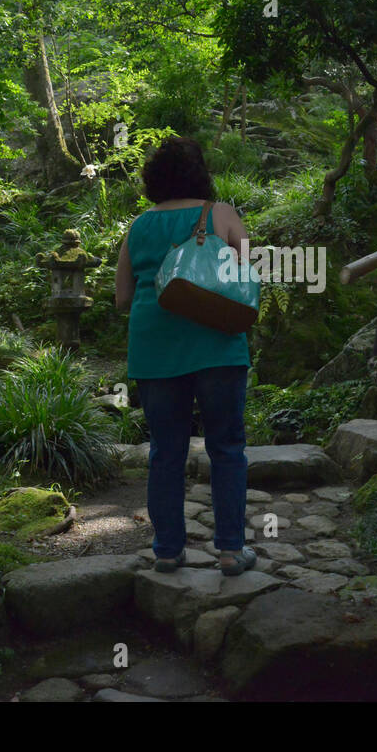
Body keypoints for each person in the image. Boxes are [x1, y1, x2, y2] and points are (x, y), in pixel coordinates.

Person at [115, 136, 257, 576]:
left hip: (154, 349)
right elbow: (247, 283)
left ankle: (167, 550)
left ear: (154, 178)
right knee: (227, 447)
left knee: (166, 451)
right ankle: (231, 551)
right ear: (201, 174)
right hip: (218, 346)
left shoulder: (137, 226)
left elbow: (122, 298)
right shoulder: (223, 215)